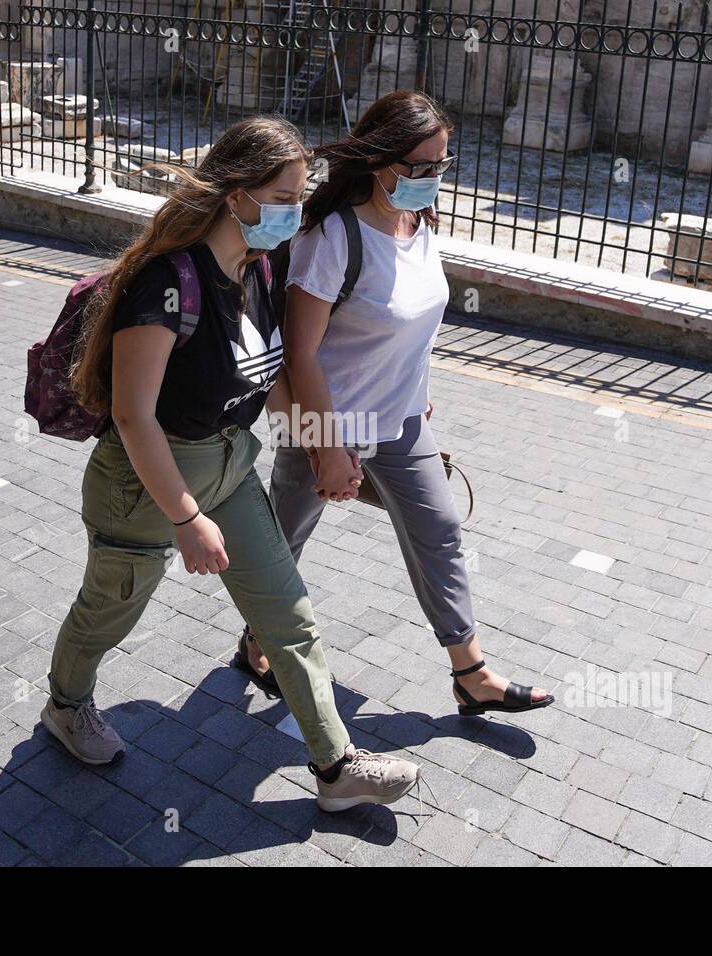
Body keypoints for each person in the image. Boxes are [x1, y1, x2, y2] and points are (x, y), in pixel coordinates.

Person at [45, 116, 418, 812]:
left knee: (288, 615)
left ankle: (335, 768)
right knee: (109, 613)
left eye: (300, 196)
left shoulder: (262, 269)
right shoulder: (163, 284)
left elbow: (270, 380)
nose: (294, 212)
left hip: (231, 463)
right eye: (282, 196)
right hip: (145, 479)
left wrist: (326, 445)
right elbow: (133, 416)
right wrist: (185, 519)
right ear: (234, 193)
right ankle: (66, 704)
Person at [237, 91, 555, 717]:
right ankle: (256, 641)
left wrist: (421, 391)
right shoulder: (333, 236)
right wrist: (327, 448)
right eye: (422, 167)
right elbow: (302, 356)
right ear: (381, 162)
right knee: (286, 542)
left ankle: (471, 673)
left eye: (443, 164)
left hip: (402, 420)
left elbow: (416, 323)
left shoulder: (420, 224)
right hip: (329, 420)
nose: (435, 179)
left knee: (439, 531)